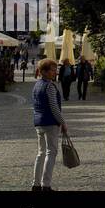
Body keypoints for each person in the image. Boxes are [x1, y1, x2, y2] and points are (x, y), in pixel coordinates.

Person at [31, 58, 66, 191]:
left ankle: (36, 184)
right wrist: (62, 122)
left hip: (38, 122)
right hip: (50, 122)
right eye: (52, 70)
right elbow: (54, 107)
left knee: (41, 153)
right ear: (44, 71)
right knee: (51, 153)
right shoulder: (49, 86)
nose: (55, 72)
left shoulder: (37, 85)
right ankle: (46, 184)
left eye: (55, 69)